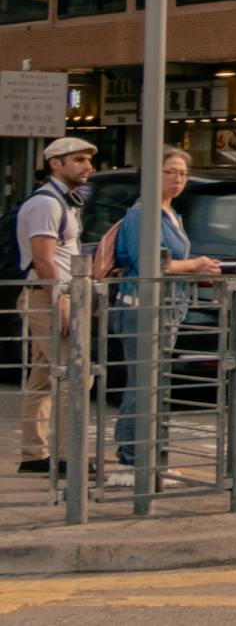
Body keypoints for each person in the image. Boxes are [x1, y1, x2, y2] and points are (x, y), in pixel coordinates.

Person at [99, 147, 221, 480]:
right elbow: (148, 262)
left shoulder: (171, 213)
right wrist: (193, 265)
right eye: (170, 172)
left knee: (152, 384)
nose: (178, 179)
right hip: (140, 306)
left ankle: (148, 457)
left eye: (183, 173)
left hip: (168, 306)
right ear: (152, 175)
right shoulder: (143, 213)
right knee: (142, 384)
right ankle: (131, 459)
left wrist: (197, 266)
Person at [15, 136, 93, 474]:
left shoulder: (64, 201)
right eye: (78, 160)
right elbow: (44, 260)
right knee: (77, 374)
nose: (88, 166)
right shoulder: (47, 204)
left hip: (49, 296)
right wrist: (60, 302)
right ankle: (68, 457)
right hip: (49, 297)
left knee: (43, 378)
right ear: (55, 164)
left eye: (89, 160)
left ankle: (34, 455)